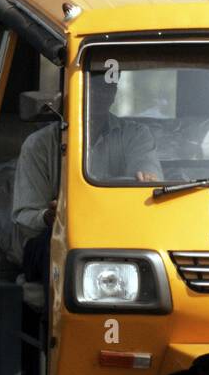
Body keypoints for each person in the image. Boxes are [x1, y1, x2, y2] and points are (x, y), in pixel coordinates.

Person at [12, 80, 160, 282]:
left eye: (105, 86)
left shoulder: (135, 135)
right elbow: (24, 217)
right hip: (57, 237)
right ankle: (59, 312)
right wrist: (50, 216)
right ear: (69, 91)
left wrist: (147, 181)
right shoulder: (39, 145)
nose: (97, 93)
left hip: (122, 231)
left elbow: (149, 178)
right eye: (90, 85)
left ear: (113, 92)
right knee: (55, 247)